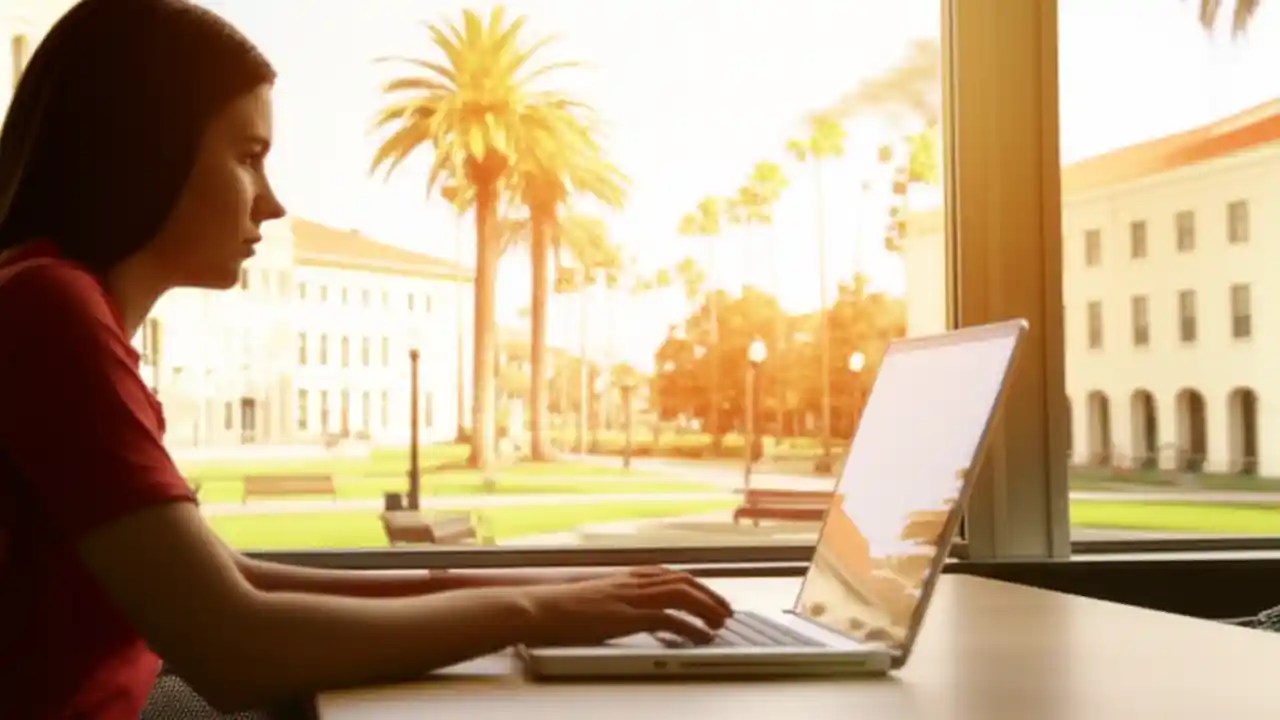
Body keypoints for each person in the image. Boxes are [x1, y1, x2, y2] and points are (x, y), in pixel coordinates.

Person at [0, 1, 732, 717]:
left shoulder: (52, 303)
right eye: (248, 158)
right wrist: (528, 610)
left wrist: (558, 591)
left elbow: (235, 579)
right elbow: (231, 645)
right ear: (145, 146)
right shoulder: (49, 312)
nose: (272, 203)